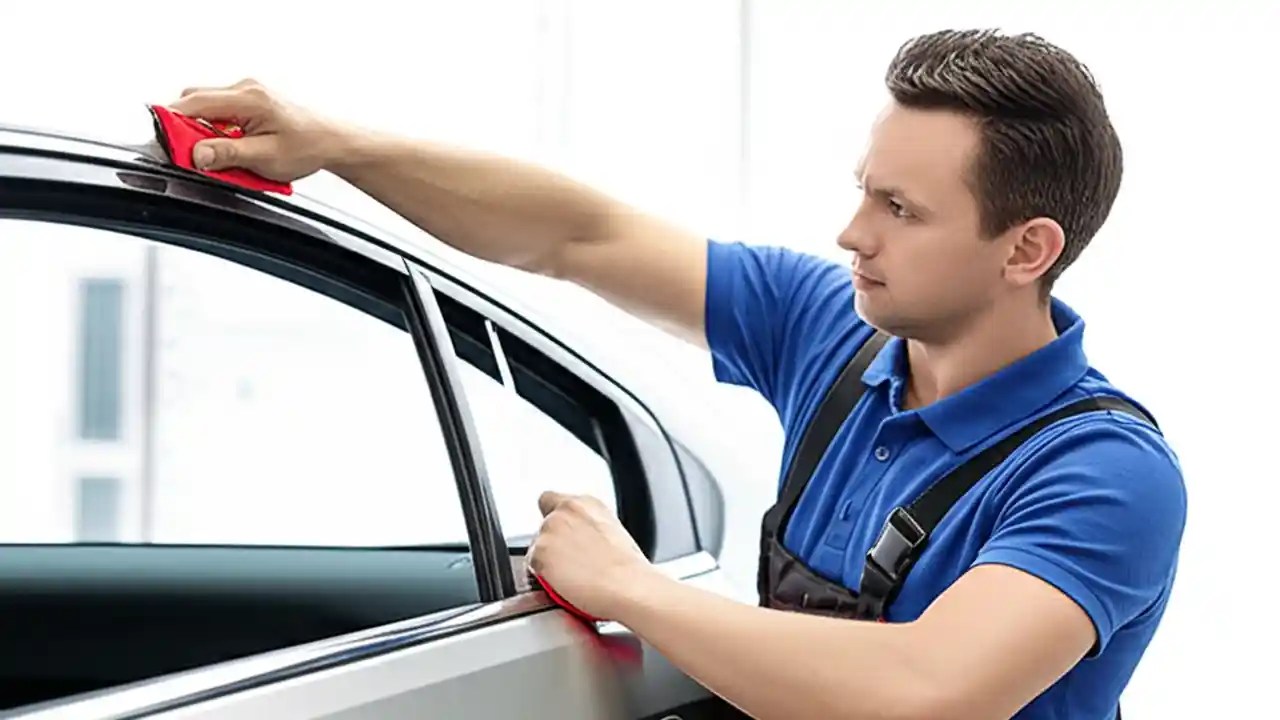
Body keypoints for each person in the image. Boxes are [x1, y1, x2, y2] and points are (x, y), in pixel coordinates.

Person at [170, 28, 1186, 720]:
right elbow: (577, 235)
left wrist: (627, 588)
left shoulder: (1104, 475)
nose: (852, 233)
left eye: (901, 211)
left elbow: (925, 693)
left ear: (1026, 249)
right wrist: (339, 147)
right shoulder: (828, 329)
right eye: (863, 192)